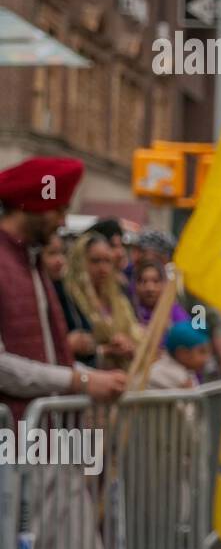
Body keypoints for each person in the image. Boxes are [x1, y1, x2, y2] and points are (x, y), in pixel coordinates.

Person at [0, 157, 127, 414]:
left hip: (33, 437)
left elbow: (48, 357)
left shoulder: (30, 262)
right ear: (33, 206)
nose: (63, 222)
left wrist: (93, 377)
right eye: (58, 209)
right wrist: (80, 380)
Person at [65, 230, 143, 371]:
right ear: (80, 261)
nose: (103, 268)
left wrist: (130, 345)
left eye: (107, 261)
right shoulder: (70, 298)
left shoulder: (117, 298)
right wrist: (105, 350)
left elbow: (134, 332)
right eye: (95, 261)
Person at [40, 229, 97, 362]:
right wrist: (67, 344)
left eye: (62, 253)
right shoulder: (37, 292)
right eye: (52, 253)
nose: (60, 260)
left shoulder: (63, 289)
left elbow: (86, 329)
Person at [148, 320, 213, 389]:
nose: (207, 358)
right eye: (202, 351)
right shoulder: (159, 375)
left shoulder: (186, 370)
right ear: (182, 353)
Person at [132, 259, 188, 328]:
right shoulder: (129, 312)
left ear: (165, 285)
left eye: (156, 281)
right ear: (136, 286)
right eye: (144, 282)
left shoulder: (174, 312)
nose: (150, 288)